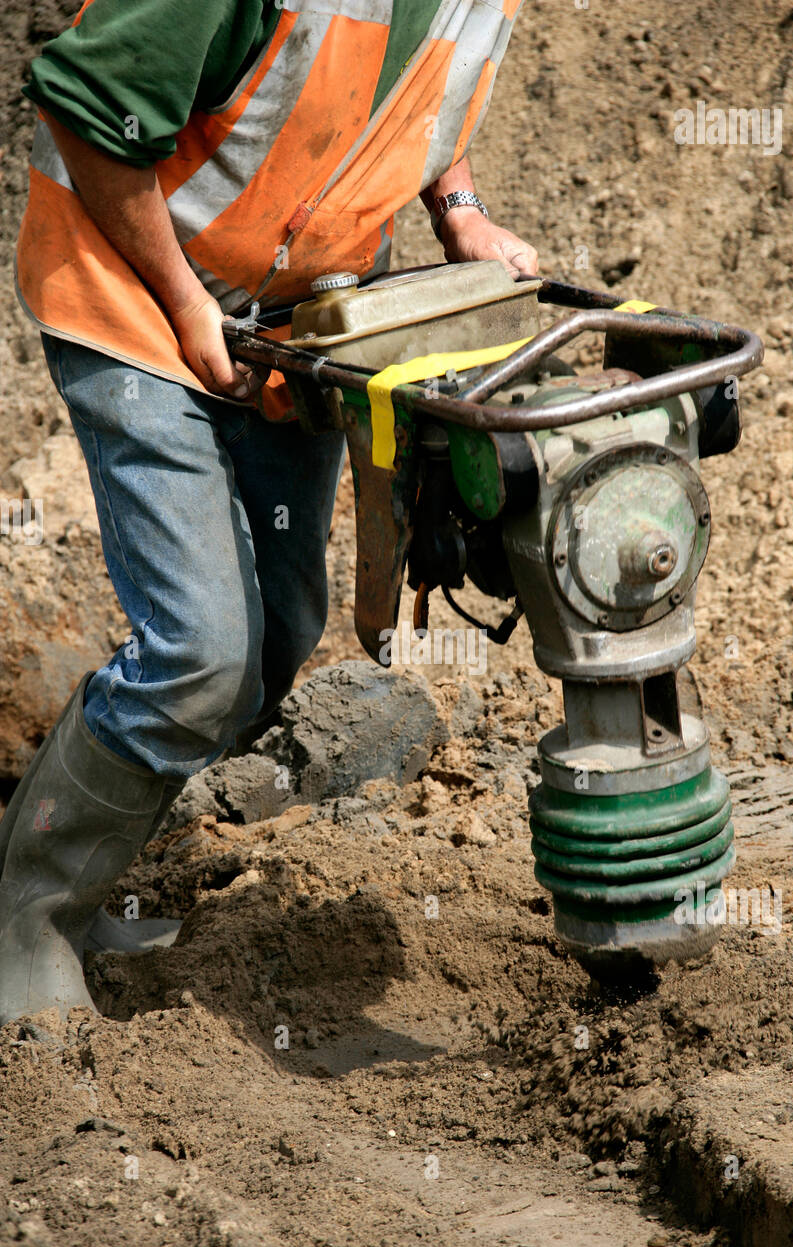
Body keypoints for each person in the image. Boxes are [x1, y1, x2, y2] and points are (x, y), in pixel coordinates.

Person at [0, 0, 538, 1024]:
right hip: (128, 288)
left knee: (275, 640)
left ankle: (86, 866)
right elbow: (86, 100)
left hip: (295, 319)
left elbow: (420, 95)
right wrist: (187, 303)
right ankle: (24, 917)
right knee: (201, 655)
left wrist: (456, 199)